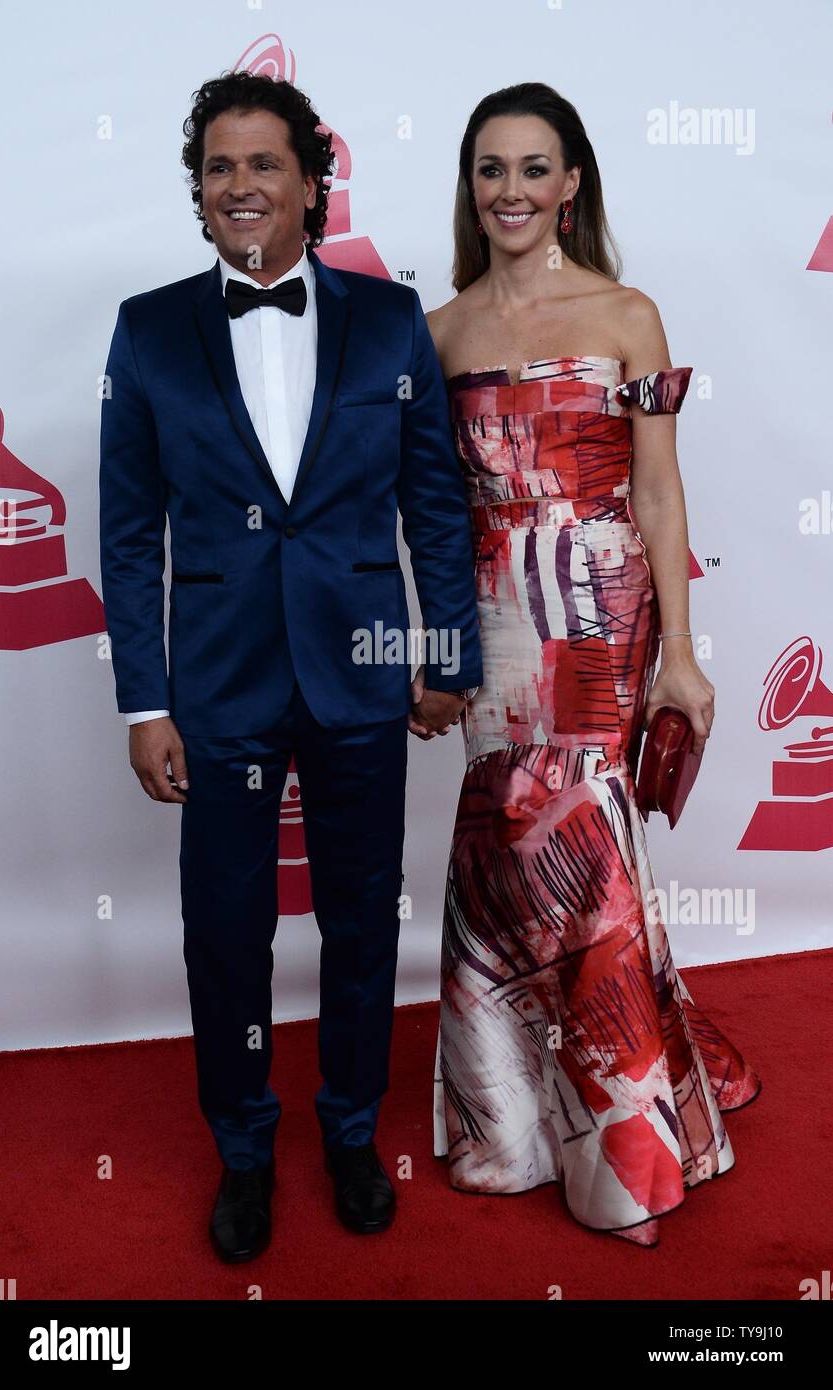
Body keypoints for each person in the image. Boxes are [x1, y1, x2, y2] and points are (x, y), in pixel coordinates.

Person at [99, 70, 481, 1263]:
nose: (241, 185)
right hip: (216, 688)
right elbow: (128, 531)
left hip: (363, 673)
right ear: (198, 191)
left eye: (265, 163)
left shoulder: (389, 320)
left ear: (313, 185)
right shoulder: (147, 329)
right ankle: (244, 1150)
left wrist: (444, 651)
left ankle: (352, 1132)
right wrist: (145, 700)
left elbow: (434, 504)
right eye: (219, 166)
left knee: (361, 922)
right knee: (226, 932)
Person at [424, 82, 761, 1247]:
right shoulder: (440, 332)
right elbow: (429, 513)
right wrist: (433, 643)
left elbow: (658, 490)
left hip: (599, 609)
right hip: (490, 614)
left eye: (533, 167)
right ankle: (510, 1123)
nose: (509, 190)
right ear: (470, 187)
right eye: (490, 169)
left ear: (570, 184)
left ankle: (622, 1146)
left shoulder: (625, 314)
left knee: (585, 841)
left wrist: (680, 656)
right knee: (505, 846)